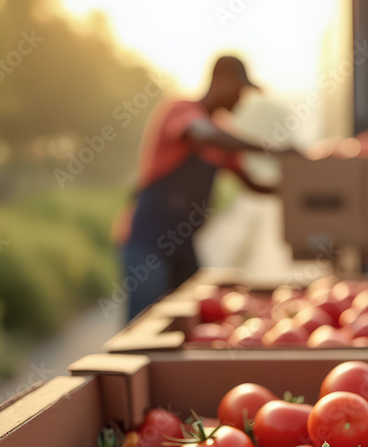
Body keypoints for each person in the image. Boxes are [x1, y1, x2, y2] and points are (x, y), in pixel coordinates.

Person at [116, 55, 288, 320]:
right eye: (239, 91)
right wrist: (268, 148)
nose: (241, 100)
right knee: (144, 323)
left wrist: (298, 190)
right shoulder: (183, 111)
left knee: (190, 319)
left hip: (184, 245)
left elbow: (253, 185)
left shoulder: (220, 134)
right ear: (221, 81)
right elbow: (203, 134)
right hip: (148, 241)